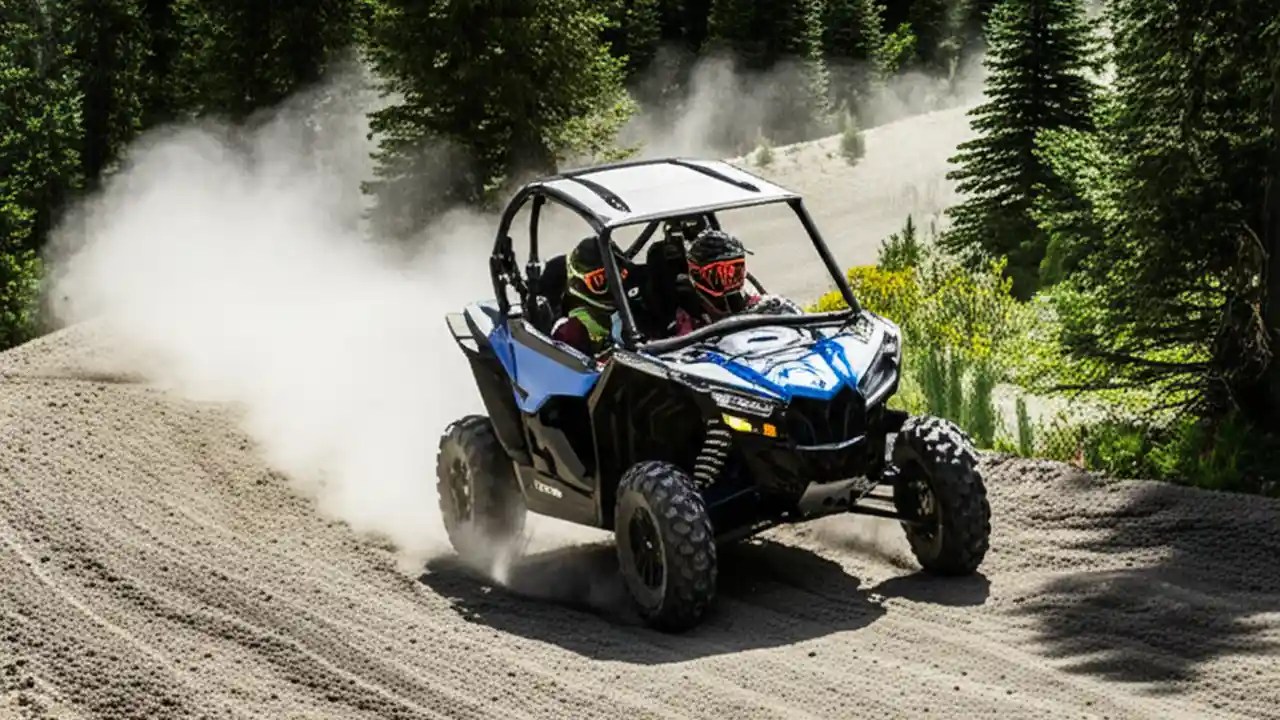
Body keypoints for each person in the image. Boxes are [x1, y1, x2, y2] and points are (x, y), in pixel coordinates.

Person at [669, 228, 803, 336]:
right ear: (697, 274)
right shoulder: (690, 317)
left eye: (735, 270)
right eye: (720, 273)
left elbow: (804, 326)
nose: (730, 280)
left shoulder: (759, 303)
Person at [551, 236, 630, 356]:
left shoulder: (636, 302)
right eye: (600, 280)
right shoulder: (571, 333)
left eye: (619, 274)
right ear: (578, 283)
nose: (614, 286)